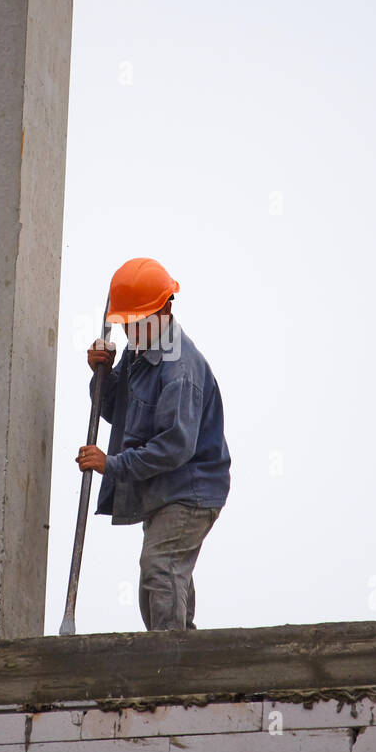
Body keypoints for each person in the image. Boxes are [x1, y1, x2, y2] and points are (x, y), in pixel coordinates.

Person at [75, 258, 231, 631]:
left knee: (159, 567)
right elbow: (119, 411)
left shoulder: (181, 370)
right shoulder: (141, 347)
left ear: (166, 309)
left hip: (191, 489)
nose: (132, 330)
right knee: (169, 570)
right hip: (164, 487)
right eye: (126, 323)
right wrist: (103, 375)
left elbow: (175, 447)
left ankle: (167, 664)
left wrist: (111, 464)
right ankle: (182, 651)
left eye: (139, 322)